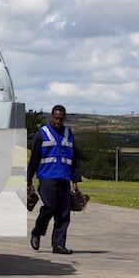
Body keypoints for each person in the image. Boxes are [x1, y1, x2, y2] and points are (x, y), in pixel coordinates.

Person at [28, 104, 81, 254]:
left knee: (64, 213)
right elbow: (34, 159)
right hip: (46, 177)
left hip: (64, 178)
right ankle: (37, 231)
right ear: (51, 117)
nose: (58, 121)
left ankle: (58, 244)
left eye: (61, 119)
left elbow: (75, 159)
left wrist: (75, 182)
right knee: (50, 207)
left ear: (64, 118)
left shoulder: (69, 134)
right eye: (56, 118)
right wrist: (29, 180)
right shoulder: (41, 134)